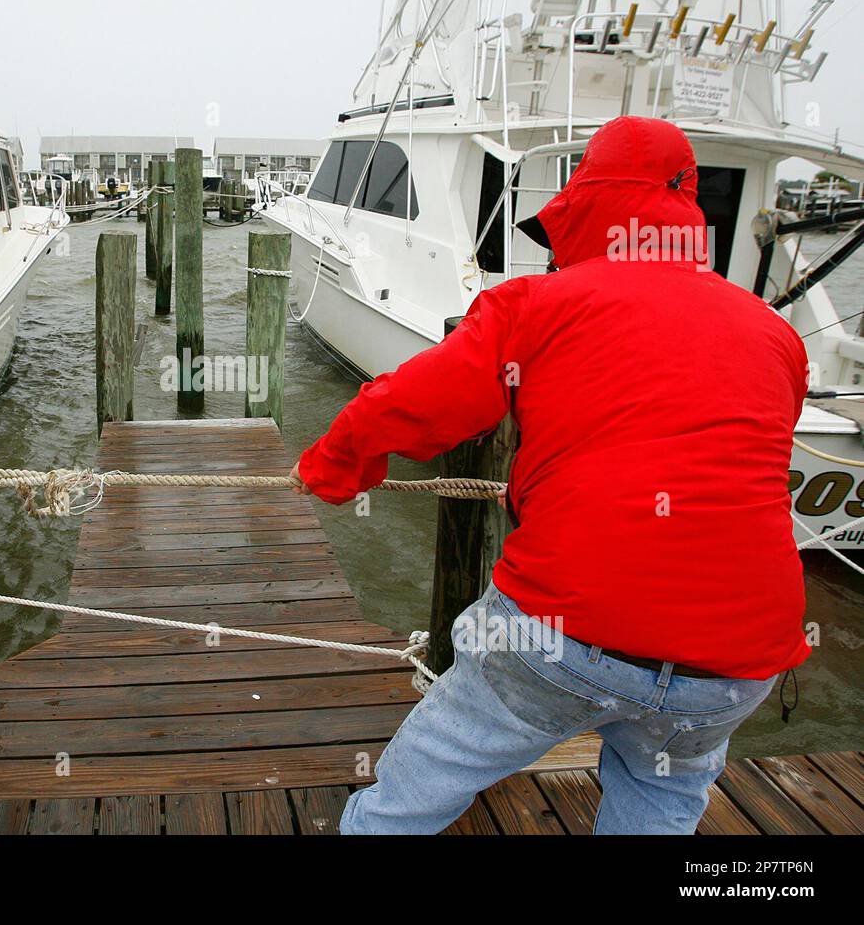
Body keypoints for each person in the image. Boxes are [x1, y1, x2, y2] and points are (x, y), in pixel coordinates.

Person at [289, 117, 810, 835]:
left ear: (587, 205)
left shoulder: (534, 306)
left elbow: (413, 404)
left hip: (568, 632)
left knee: (443, 760)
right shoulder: (775, 334)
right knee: (662, 792)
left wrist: (335, 465)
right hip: (739, 662)